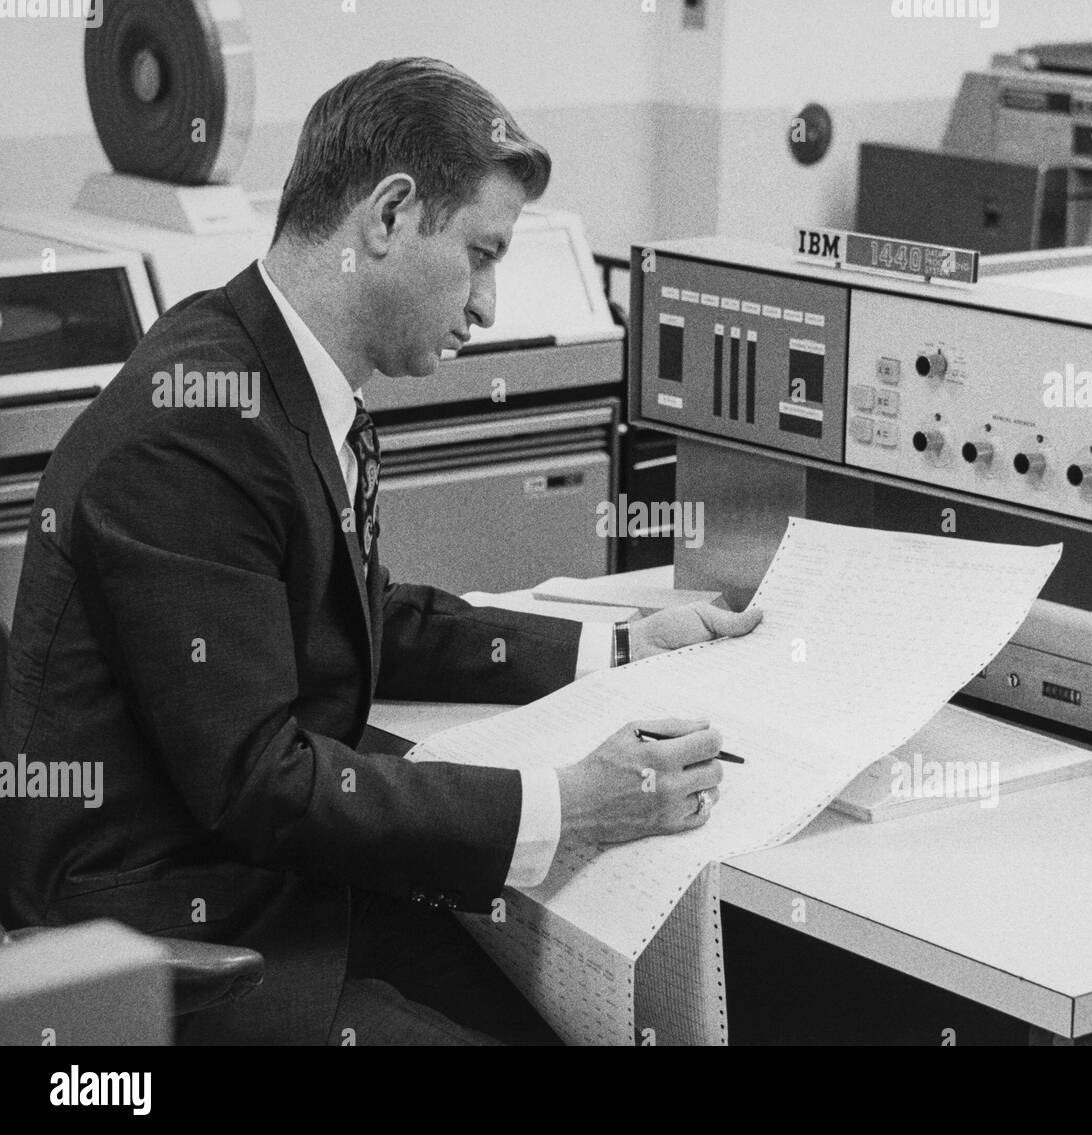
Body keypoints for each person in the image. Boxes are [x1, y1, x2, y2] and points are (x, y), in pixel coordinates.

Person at [0, 57, 761, 1045]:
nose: (487, 305)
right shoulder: (195, 431)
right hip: (171, 946)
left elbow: (363, 615)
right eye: (480, 254)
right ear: (390, 216)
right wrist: (566, 803)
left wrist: (617, 650)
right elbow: (258, 781)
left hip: (276, 889)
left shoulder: (275, 373)